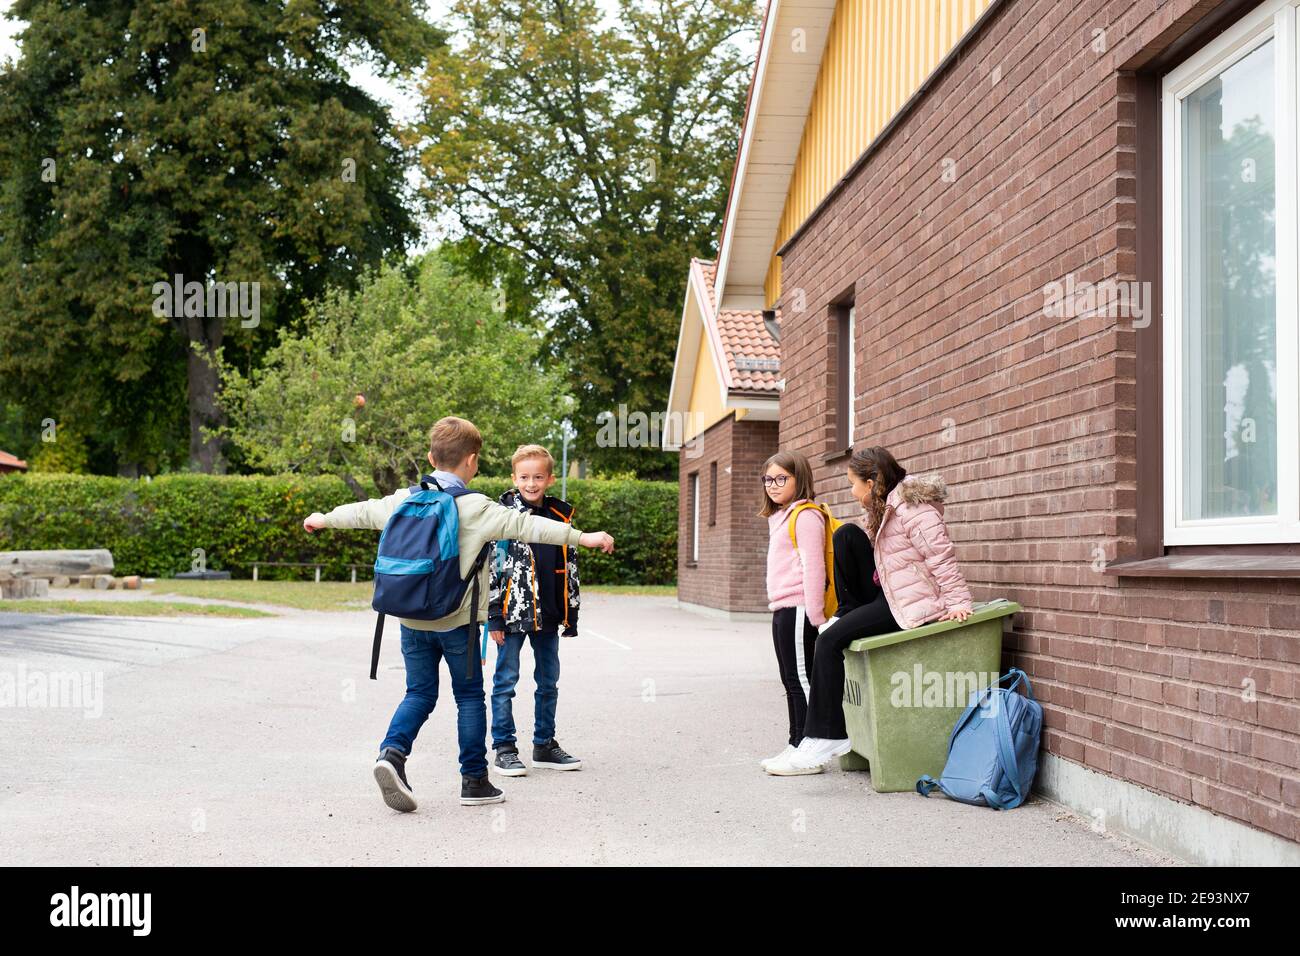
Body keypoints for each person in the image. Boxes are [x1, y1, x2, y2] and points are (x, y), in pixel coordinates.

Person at [302, 417, 614, 812]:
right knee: (468, 697)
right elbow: (531, 527)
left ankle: (392, 754)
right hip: (457, 624)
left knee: (418, 693)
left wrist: (324, 518)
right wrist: (584, 537)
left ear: (431, 457)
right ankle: (474, 782)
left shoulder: (405, 498)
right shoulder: (477, 507)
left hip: (411, 619)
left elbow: (363, 512)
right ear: (473, 461)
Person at [766, 446, 972, 776]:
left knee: (828, 642)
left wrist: (958, 602)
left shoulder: (913, 508)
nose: (851, 490)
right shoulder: (882, 506)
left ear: (872, 481)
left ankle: (827, 735)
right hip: (887, 596)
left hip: (908, 603)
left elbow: (940, 557)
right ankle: (848, 611)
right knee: (846, 534)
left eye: (853, 483)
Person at [486, 444, 583, 776]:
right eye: (524, 477)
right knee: (505, 681)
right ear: (514, 478)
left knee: (548, 681)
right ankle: (504, 748)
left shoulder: (561, 516)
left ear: (550, 479)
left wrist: (571, 613)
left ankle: (544, 744)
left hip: (551, 615)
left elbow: (569, 567)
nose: (531, 483)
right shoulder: (502, 516)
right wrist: (494, 615)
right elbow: (493, 568)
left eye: (538, 477)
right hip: (511, 615)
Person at [758, 450, 830, 772]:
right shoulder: (782, 517)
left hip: (801, 607)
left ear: (798, 479)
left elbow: (814, 568)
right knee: (790, 679)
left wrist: (816, 618)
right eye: (768, 479)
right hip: (783, 607)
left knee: (802, 679)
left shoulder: (806, 516)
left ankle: (810, 752)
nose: (773, 485)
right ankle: (795, 743)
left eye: (781, 479)